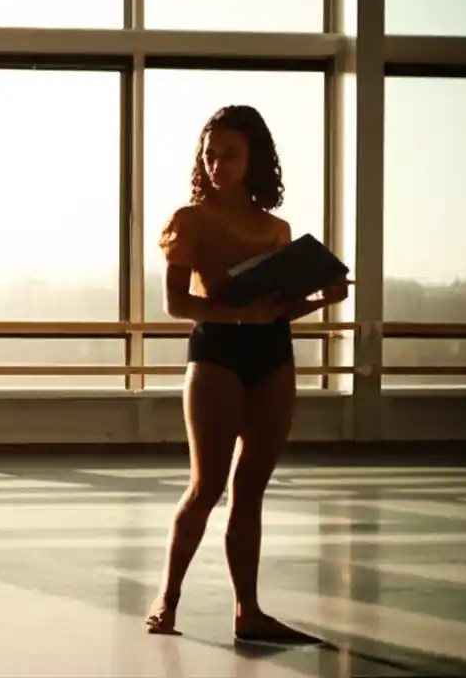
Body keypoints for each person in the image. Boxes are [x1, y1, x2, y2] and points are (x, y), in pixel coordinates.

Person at [145, 105, 350, 642]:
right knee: (206, 485)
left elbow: (278, 308)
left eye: (229, 155)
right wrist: (241, 313)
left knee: (250, 488)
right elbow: (174, 303)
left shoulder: (276, 228)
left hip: (271, 354)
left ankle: (248, 610)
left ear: (253, 158)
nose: (217, 165)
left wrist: (323, 298)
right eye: (210, 155)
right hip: (217, 352)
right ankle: (167, 600)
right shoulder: (189, 220)